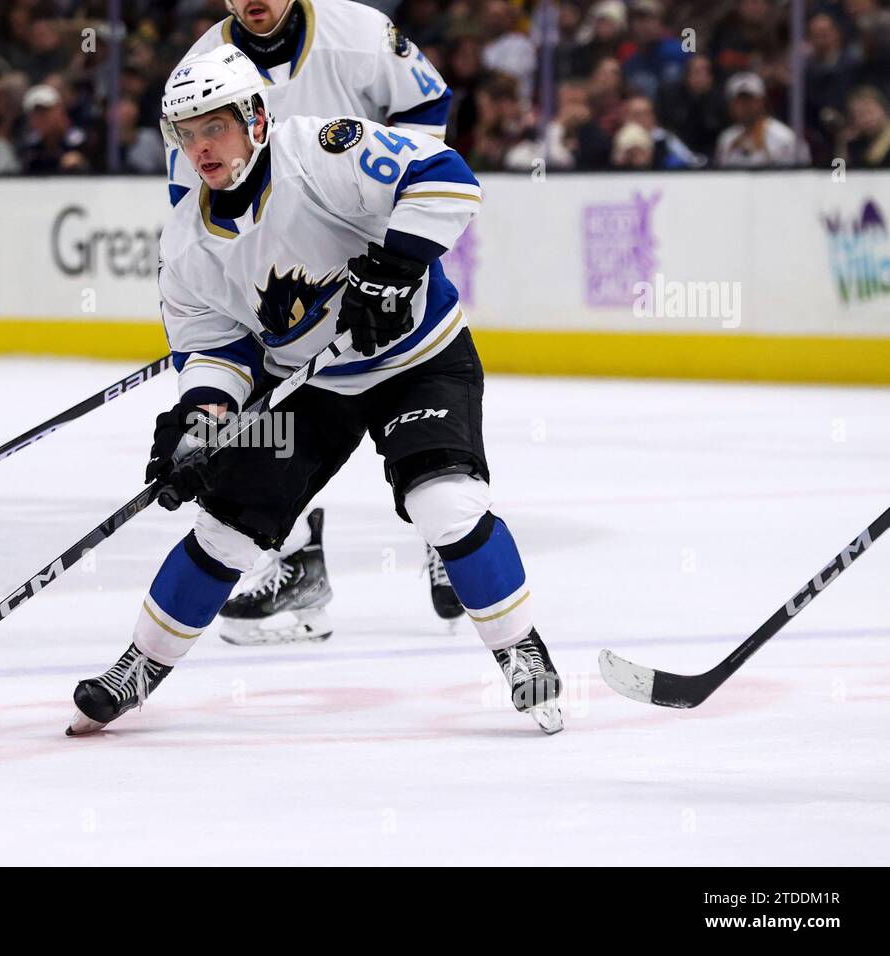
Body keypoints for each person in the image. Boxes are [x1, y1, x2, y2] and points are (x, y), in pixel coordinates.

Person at [67, 45, 563, 737]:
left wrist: (393, 266)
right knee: (225, 527)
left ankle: (519, 650)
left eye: (215, 126)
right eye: (187, 133)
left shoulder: (323, 150)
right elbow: (217, 350)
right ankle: (139, 666)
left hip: (419, 360)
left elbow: (446, 178)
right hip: (309, 387)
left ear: (256, 120)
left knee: (443, 502)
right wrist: (202, 420)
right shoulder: (186, 243)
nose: (201, 146)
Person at [164, 0, 460, 645]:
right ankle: (297, 565)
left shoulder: (357, 32)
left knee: (425, 384)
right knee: (266, 418)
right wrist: (233, 281)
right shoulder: (200, 66)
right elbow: (191, 194)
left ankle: (446, 533)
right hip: (284, 276)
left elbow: (426, 104)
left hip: (375, 235)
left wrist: (391, 245)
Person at [715, 71, 809, 167]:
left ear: (762, 101)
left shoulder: (784, 138)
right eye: (740, 101)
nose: (745, 106)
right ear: (731, 105)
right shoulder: (727, 140)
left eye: (750, 100)